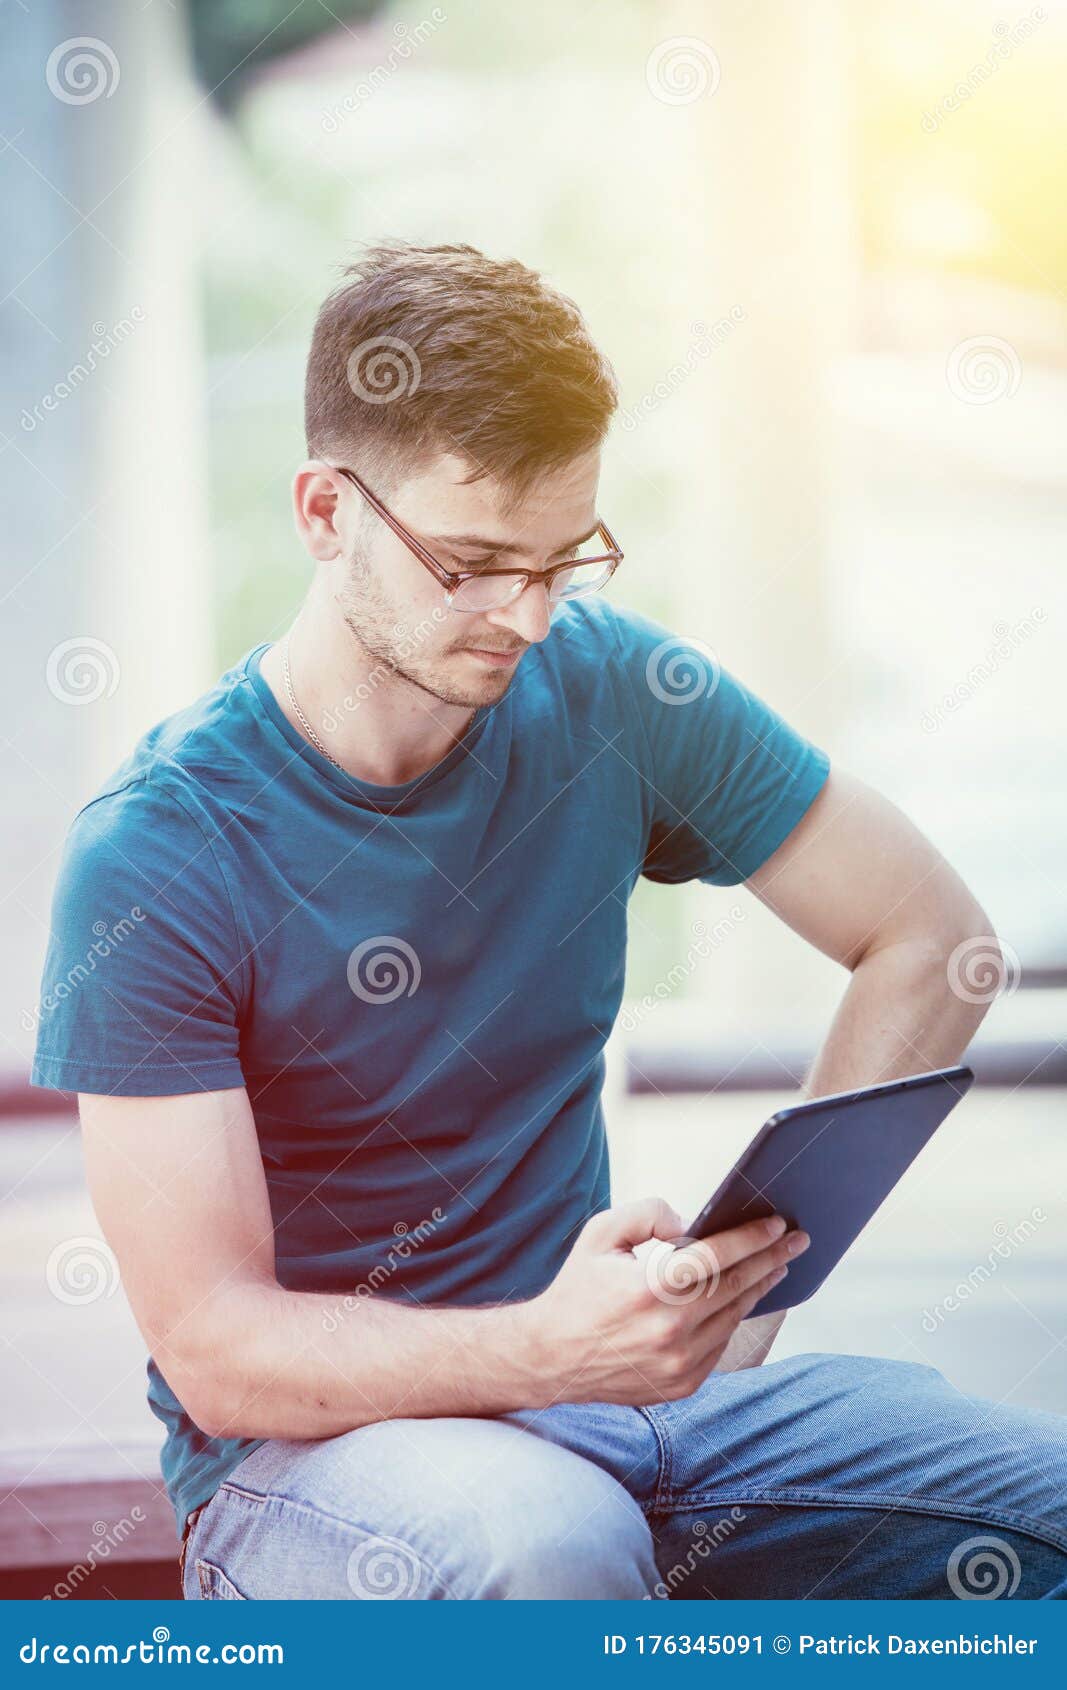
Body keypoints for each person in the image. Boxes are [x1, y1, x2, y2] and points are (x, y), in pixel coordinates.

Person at [32, 242, 1067, 1601]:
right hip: (314, 1468)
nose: (524, 615)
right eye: (471, 562)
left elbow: (936, 939)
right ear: (326, 511)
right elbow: (219, 1349)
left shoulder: (616, 689)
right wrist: (547, 1350)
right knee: (551, 1547)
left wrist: (745, 1292)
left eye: (561, 559)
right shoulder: (158, 850)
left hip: (632, 1414)